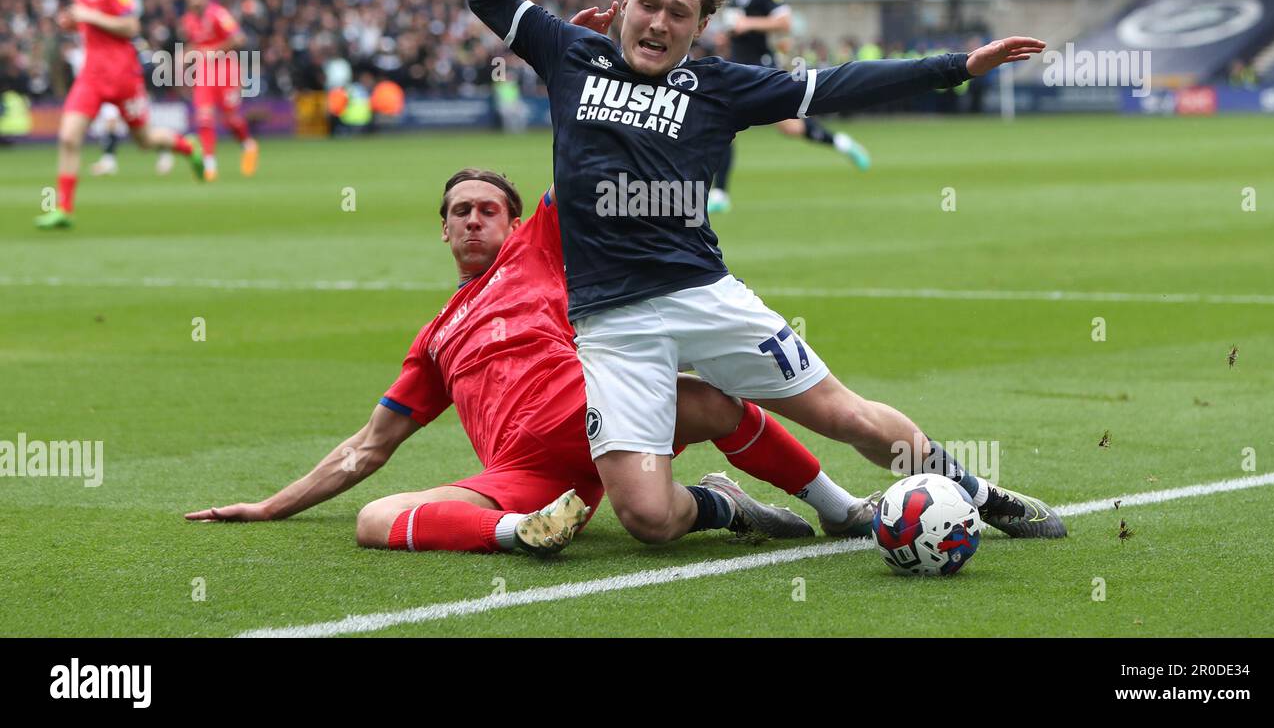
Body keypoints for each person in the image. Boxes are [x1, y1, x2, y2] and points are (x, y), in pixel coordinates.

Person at [467, 0, 1064, 547]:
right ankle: (727, 503)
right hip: (611, 324)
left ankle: (981, 493)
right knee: (648, 519)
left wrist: (957, 66)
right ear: (623, 3)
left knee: (849, 418)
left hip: (702, 295)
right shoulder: (569, 51)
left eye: (678, 13)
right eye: (648, 3)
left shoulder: (718, 85)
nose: (659, 22)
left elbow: (839, 84)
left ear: (700, 28)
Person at [187, 166, 877, 554]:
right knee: (375, 521)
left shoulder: (536, 251)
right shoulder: (433, 339)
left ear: (515, 224)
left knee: (710, 401)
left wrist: (590, 64)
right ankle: (535, 531)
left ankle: (839, 507)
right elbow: (367, 449)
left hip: (597, 418)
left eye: (489, 209)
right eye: (459, 210)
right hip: (526, 476)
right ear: (443, 227)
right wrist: (271, 507)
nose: (473, 219)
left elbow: (585, 163)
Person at [36, 0, 203, 229]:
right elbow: (91, 27)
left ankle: (188, 147)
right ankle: (63, 209)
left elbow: (130, 26)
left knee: (145, 140)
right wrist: (75, 23)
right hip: (91, 77)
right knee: (68, 137)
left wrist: (89, 15)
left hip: (123, 76)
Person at [708, 0, 871, 214]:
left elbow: (784, 22)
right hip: (736, 66)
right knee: (723, 124)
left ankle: (841, 142)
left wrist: (749, 24)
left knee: (790, 126)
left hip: (760, 66)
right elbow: (738, 29)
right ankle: (721, 193)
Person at [180, 0, 258, 181]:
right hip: (205, 71)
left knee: (231, 119)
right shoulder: (188, 20)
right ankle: (209, 165)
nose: (195, 0)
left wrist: (214, 51)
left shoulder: (219, 14)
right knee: (204, 118)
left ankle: (248, 145)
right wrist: (186, 54)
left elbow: (238, 39)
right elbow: (197, 44)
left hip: (226, 68)